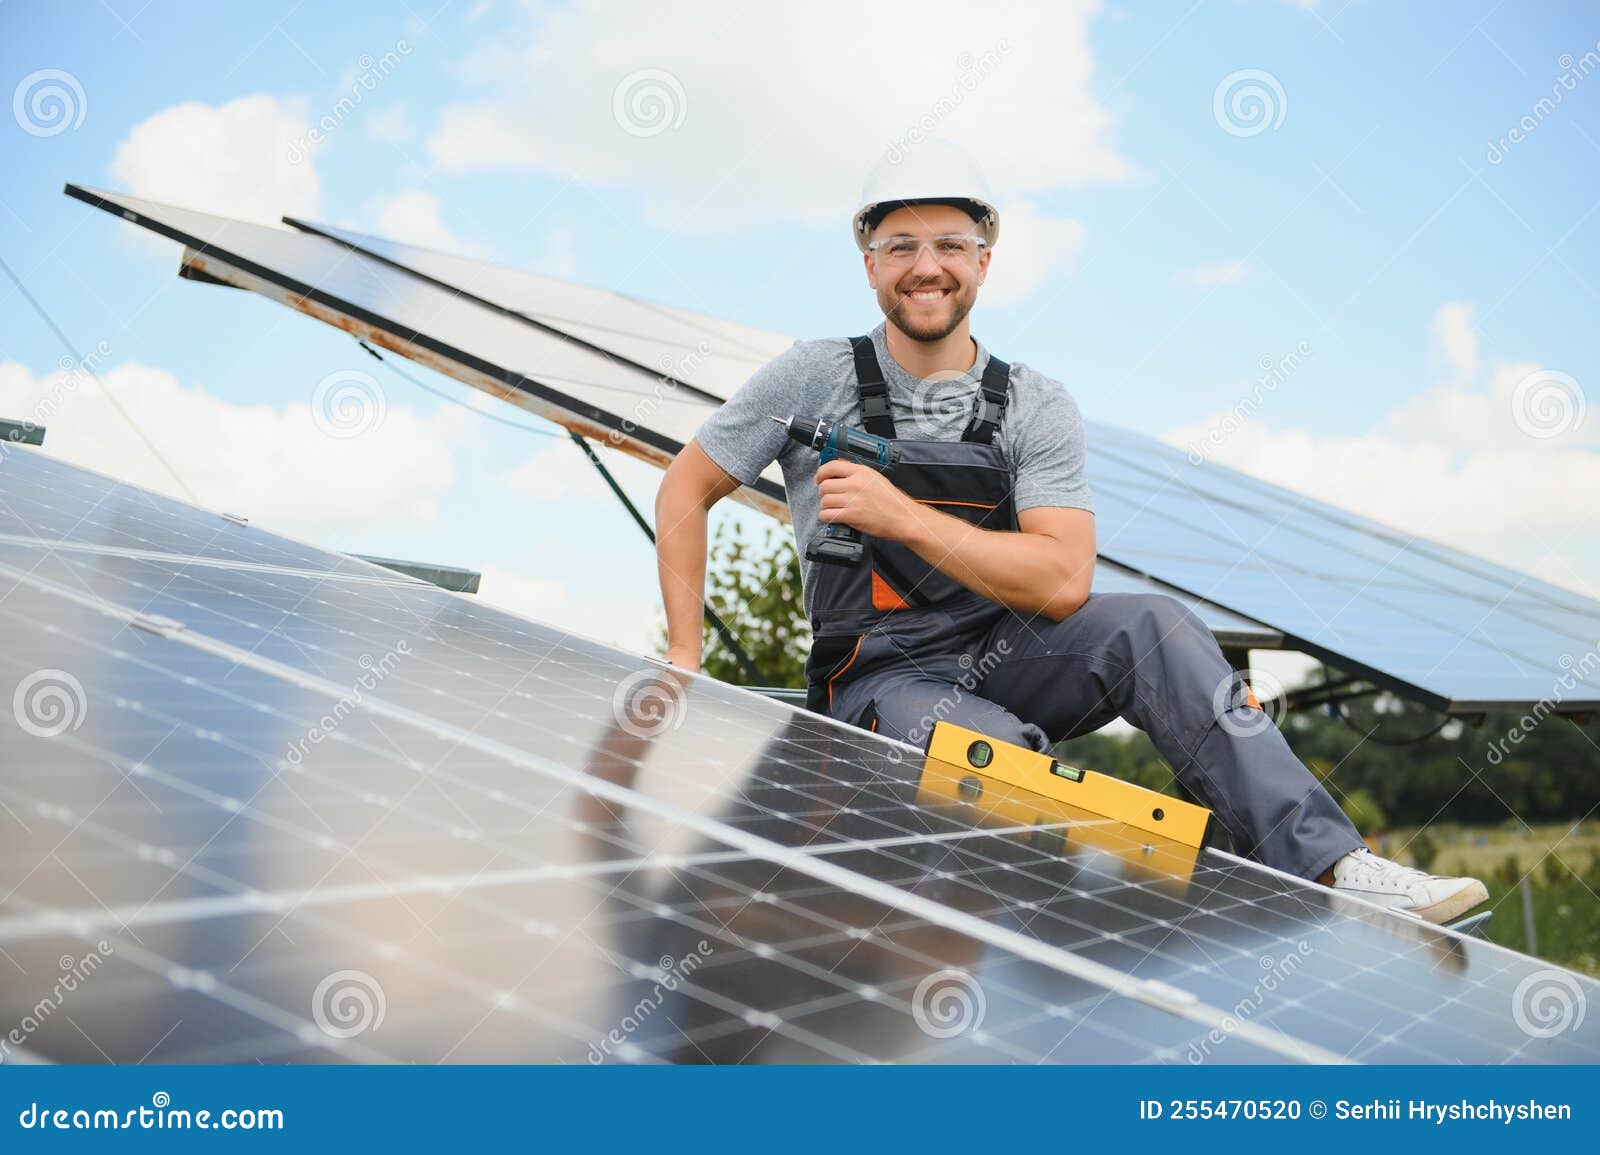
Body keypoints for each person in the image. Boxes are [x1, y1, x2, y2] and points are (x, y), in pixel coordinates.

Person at [653, 138, 1487, 925]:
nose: (926, 267)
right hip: (878, 683)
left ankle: (1332, 865)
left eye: (950, 243)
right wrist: (686, 656)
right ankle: (1120, 906)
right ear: (870, 263)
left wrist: (901, 513)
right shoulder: (811, 376)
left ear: (983, 258)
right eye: (901, 245)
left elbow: (1062, 581)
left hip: (1009, 654)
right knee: (1005, 769)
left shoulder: (1034, 404)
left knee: (1156, 628)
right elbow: (685, 487)